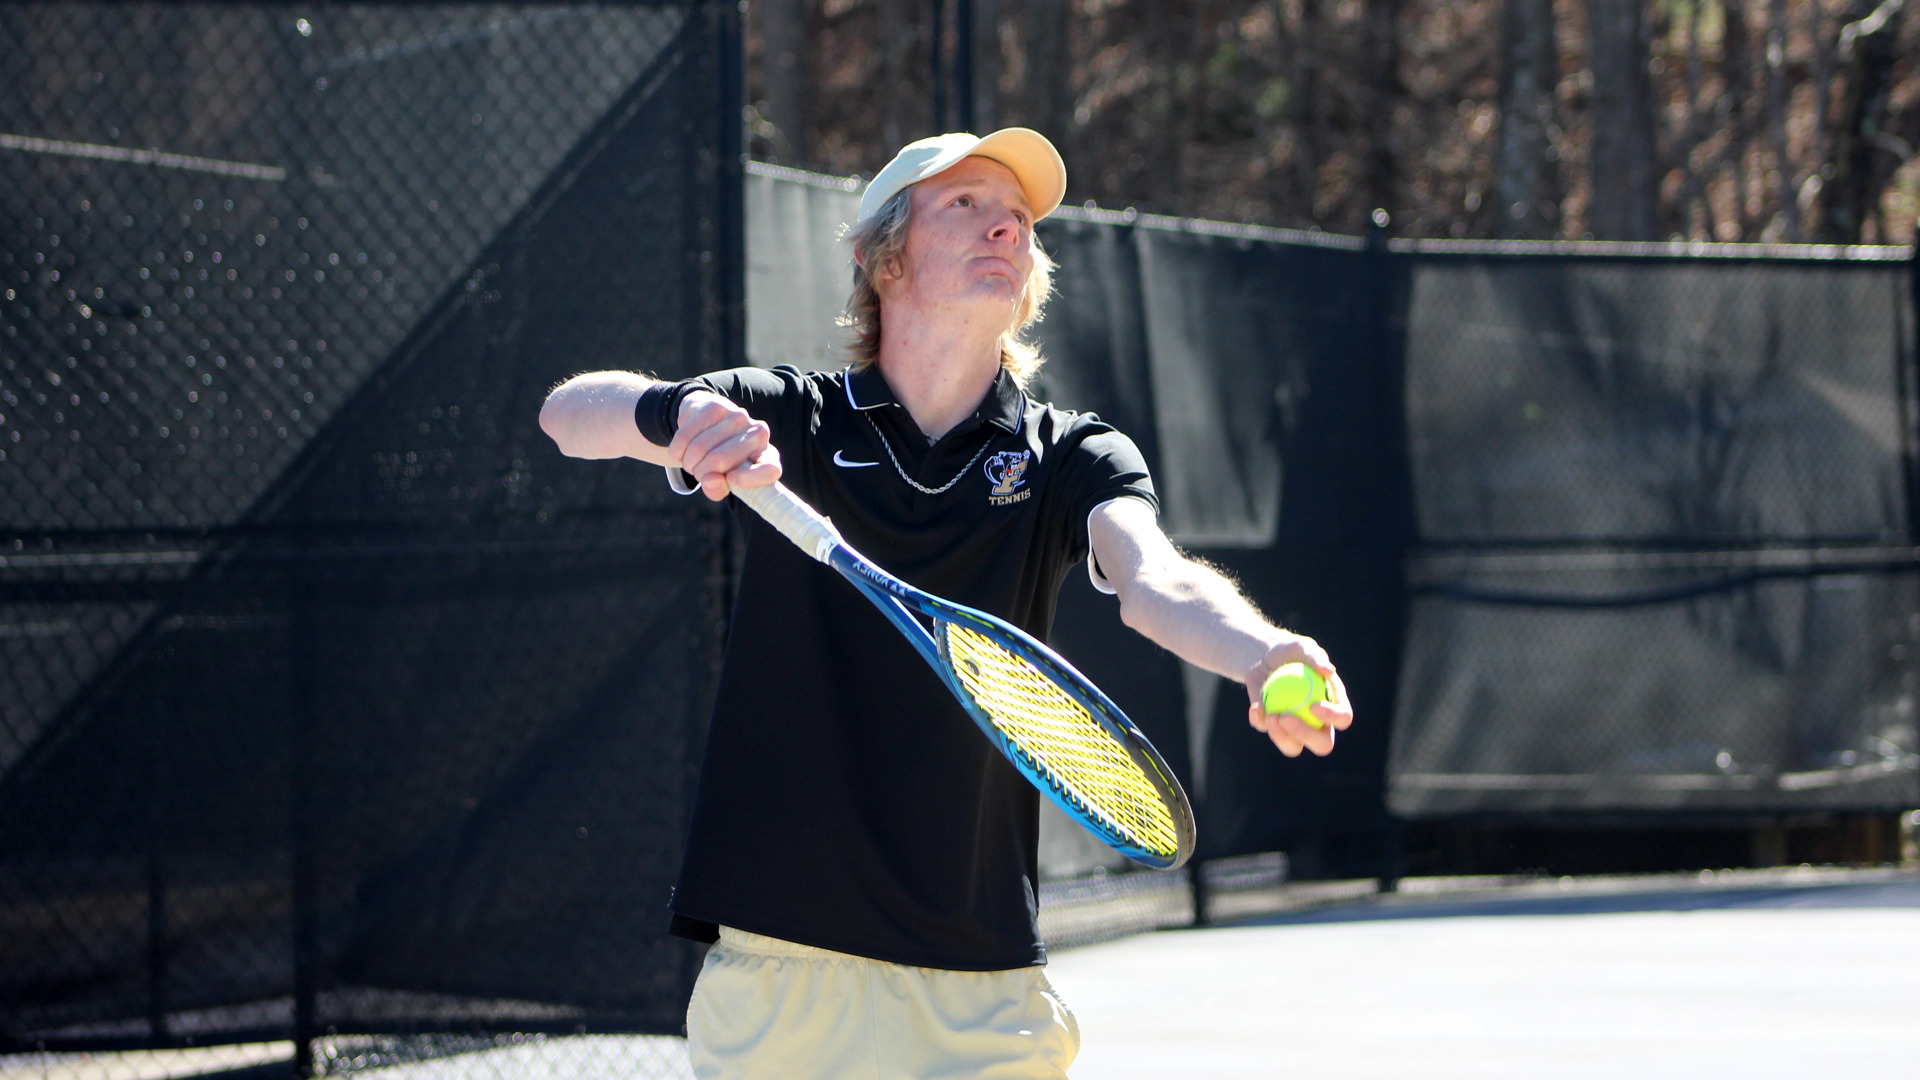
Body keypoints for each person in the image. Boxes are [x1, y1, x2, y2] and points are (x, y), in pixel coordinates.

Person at [538, 128, 1350, 1080]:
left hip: (986, 984)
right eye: (965, 202)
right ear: (881, 255)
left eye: (1018, 216)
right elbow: (568, 415)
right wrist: (678, 419)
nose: (1004, 223)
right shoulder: (789, 418)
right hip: (787, 969)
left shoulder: (1073, 457)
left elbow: (1155, 579)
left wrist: (1263, 651)